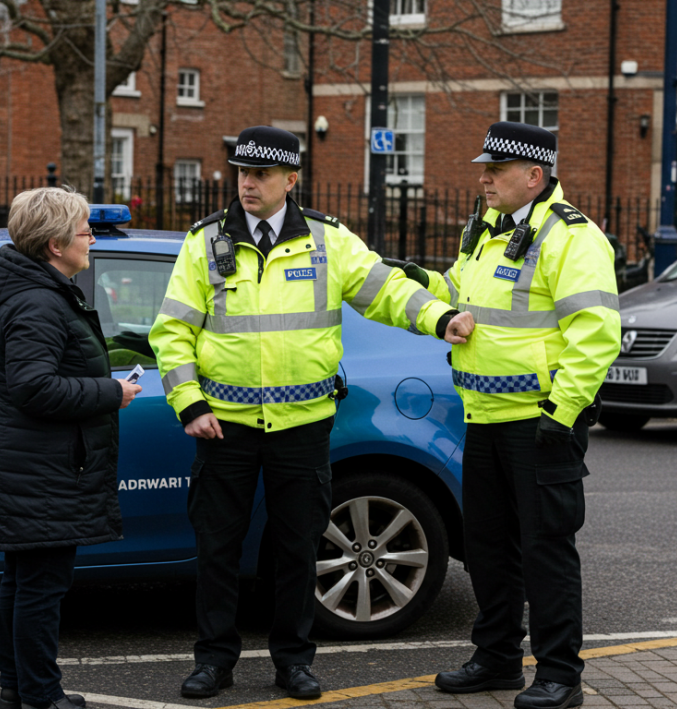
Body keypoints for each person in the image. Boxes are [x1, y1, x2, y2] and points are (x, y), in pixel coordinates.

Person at [148, 126, 473, 700]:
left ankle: (293, 661)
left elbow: (386, 290)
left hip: (302, 427)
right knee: (218, 549)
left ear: (290, 180)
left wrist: (439, 317)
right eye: (242, 173)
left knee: (298, 549)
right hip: (225, 426)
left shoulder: (328, 240)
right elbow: (172, 331)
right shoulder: (204, 243)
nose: (247, 183)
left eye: (261, 174)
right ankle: (213, 661)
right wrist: (188, 402)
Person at [411, 122, 621, 709]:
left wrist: (564, 411)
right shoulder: (486, 231)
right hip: (482, 418)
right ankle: (498, 658)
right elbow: (459, 291)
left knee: (546, 548)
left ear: (535, 175)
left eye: (495, 169)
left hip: (539, 423)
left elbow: (597, 333)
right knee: (487, 547)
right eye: (483, 168)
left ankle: (559, 674)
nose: (483, 178)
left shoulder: (571, 236)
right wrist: (417, 280)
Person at [0, 187, 142, 709]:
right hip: (40, 470)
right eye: (84, 230)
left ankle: (18, 692)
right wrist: (112, 392)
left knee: (22, 583)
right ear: (54, 245)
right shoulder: (39, 302)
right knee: (40, 589)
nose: (91, 239)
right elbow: (33, 386)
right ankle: (41, 697)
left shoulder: (31, 291)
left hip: (29, 464)